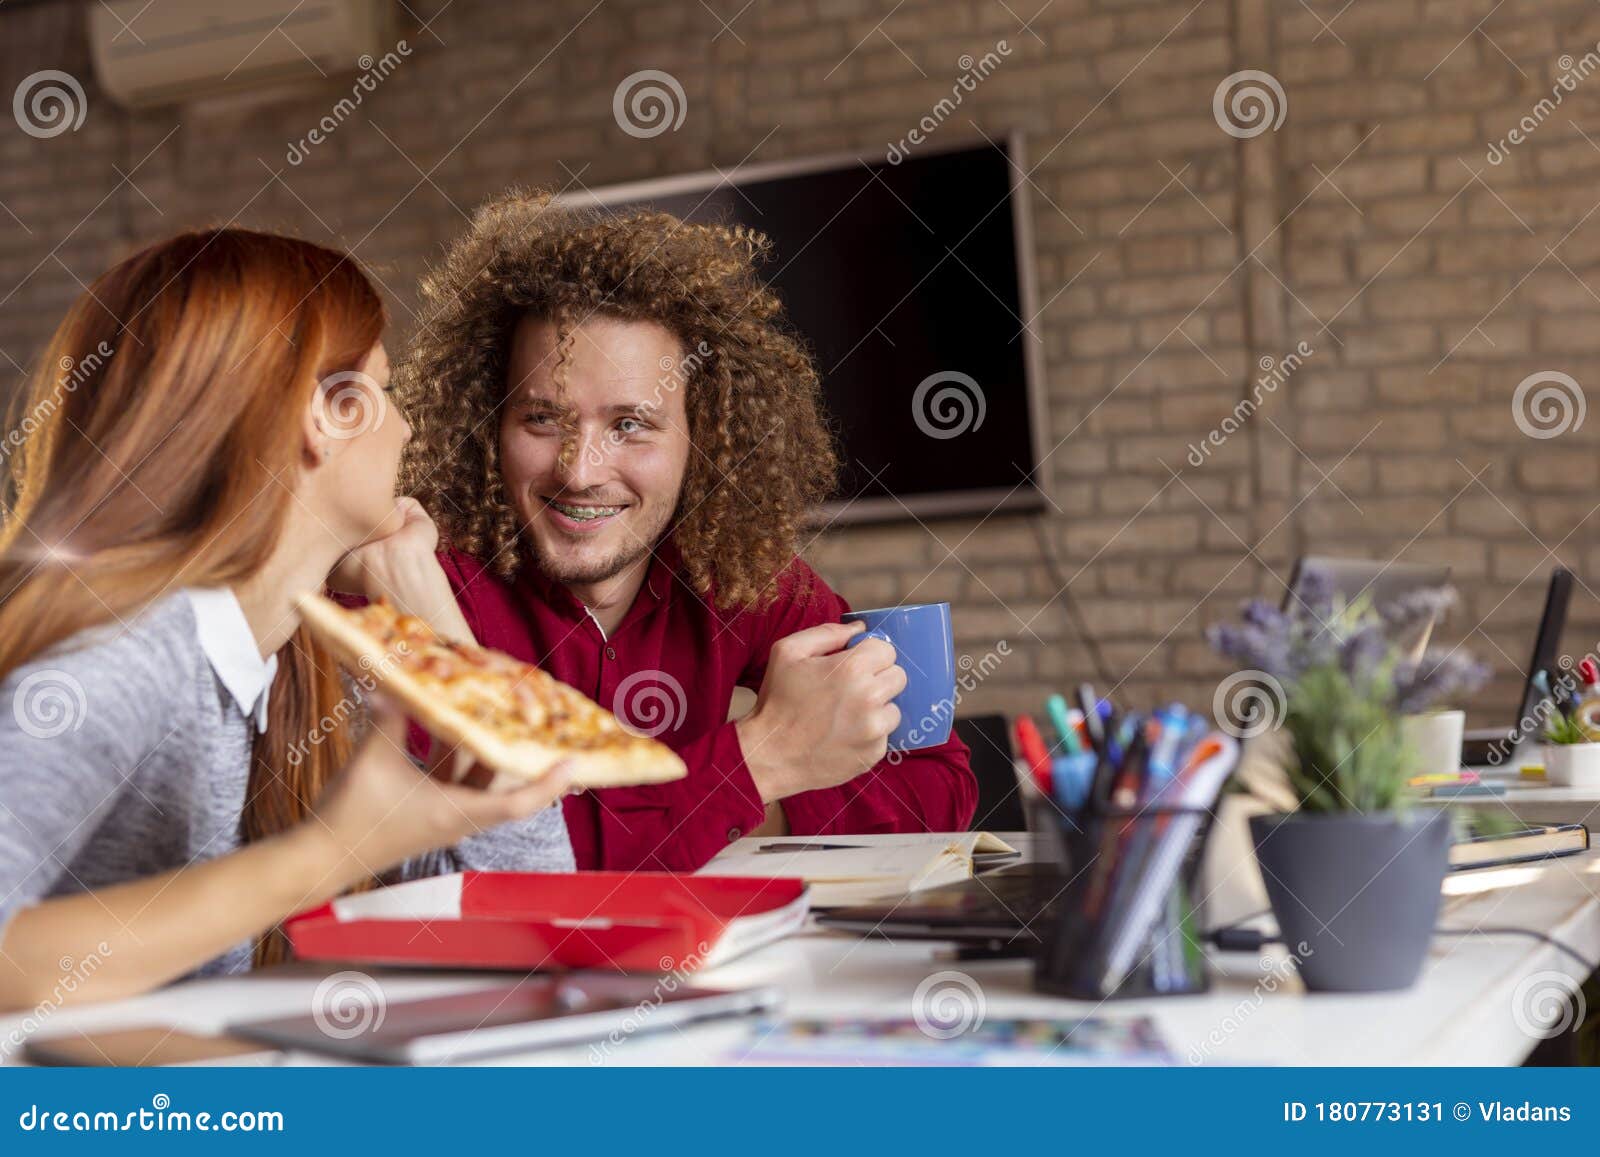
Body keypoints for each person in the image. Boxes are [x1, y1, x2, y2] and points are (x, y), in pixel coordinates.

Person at [0, 229, 573, 1011]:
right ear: (321, 416)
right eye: (385, 389)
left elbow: (540, 910)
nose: (407, 429)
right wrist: (325, 854)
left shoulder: (296, 669)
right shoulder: (125, 660)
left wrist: (433, 616)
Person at [333, 191, 976, 872]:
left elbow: (938, 785)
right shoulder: (407, 585)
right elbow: (472, 858)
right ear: (489, 424)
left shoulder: (741, 570)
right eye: (543, 419)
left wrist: (729, 794)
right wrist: (759, 764)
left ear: (705, 437)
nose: (580, 471)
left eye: (630, 425)